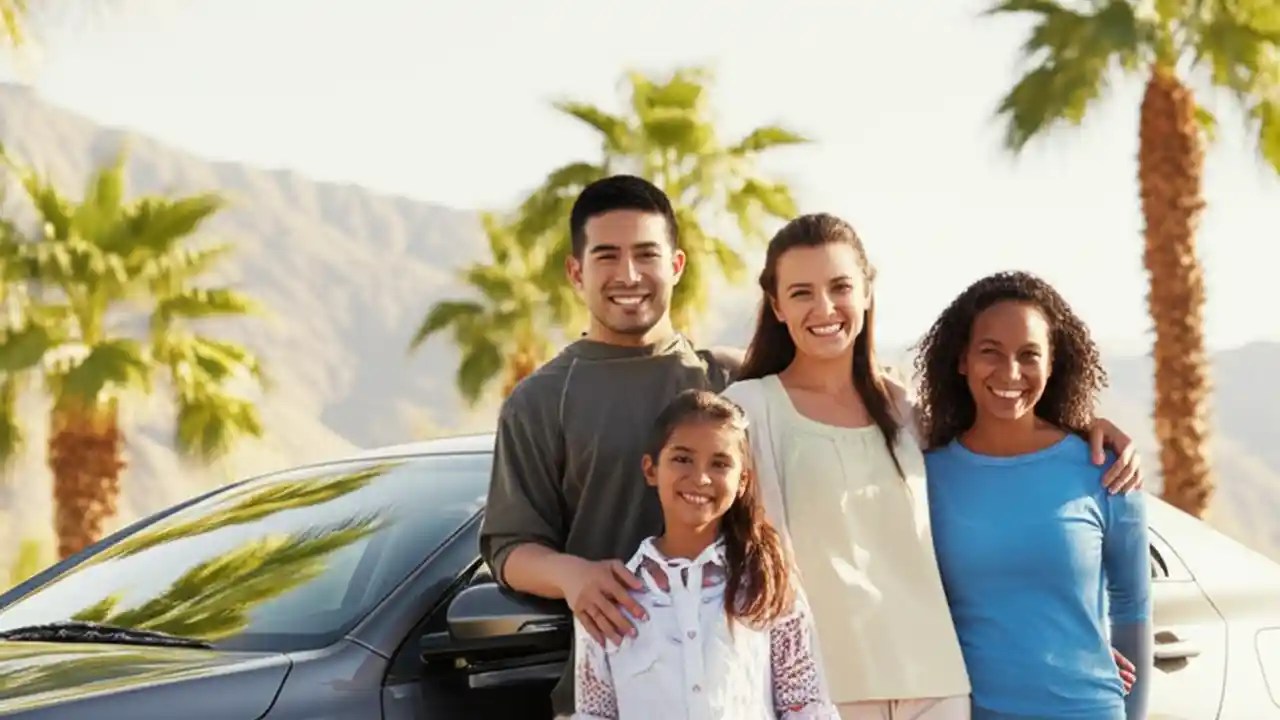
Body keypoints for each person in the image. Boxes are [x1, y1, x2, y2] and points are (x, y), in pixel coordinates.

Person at [721, 213, 1141, 720]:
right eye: (802, 292)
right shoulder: (747, 409)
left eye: (840, 287)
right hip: (824, 686)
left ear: (867, 291)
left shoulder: (903, 410)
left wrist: (1084, 425)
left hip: (938, 687)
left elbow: (998, 451)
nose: (825, 308)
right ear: (776, 305)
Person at [478, 174, 741, 718]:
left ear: (676, 265)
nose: (628, 275)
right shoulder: (540, 401)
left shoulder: (730, 383)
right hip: (609, 696)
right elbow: (509, 549)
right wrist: (574, 575)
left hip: (737, 689)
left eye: (646, 254)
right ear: (577, 272)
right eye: (606, 256)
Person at [916, 271, 1152, 720]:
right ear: (962, 358)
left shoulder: (1104, 467)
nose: (1010, 373)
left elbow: (1132, 602)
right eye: (991, 352)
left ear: (1052, 363)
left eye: (1029, 355)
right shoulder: (926, 476)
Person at [572, 389, 839, 719]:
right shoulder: (610, 597)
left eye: (720, 463)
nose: (699, 478)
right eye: (682, 459)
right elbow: (594, 713)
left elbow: (806, 705)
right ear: (651, 469)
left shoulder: (768, 584)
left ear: (742, 481)